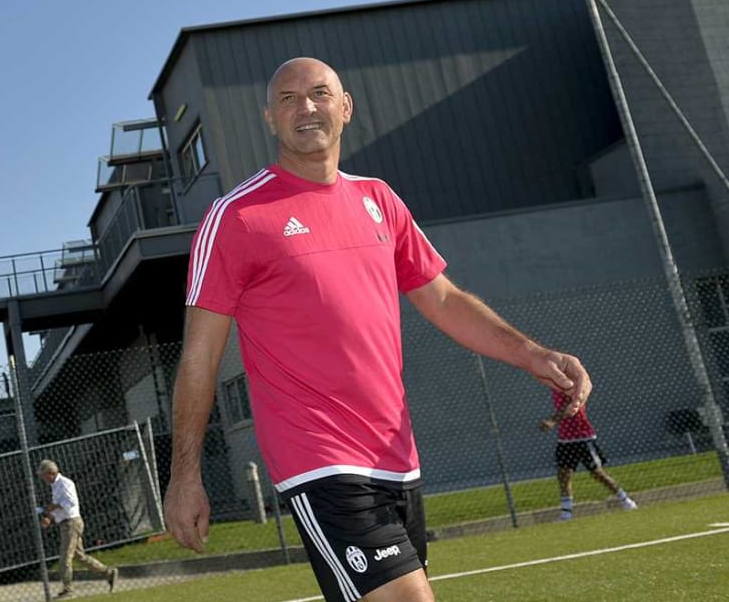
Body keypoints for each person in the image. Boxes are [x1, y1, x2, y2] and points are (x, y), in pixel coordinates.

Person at [162, 57, 593, 602]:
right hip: (316, 455)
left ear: (345, 107)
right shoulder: (237, 217)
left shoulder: (379, 200)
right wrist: (185, 475)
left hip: (396, 454)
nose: (307, 108)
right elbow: (198, 359)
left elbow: (445, 299)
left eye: (320, 94)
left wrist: (533, 355)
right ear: (269, 118)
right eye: (289, 99)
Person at [540, 389, 637, 520]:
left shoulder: (571, 383)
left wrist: (552, 420)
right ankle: (566, 514)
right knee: (563, 474)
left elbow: (572, 405)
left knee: (597, 473)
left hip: (582, 436)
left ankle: (626, 500)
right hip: (565, 439)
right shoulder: (555, 385)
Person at [37, 459, 119, 597]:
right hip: (67, 522)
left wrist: (52, 507)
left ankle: (68, 590)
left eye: (44, 475)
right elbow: (60, 506)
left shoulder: (65, 483)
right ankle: (108, 572)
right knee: (80, 556)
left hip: (71, 523)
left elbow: (70, 502)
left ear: (51, 473)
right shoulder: (56, 486)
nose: (43, 479)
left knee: (65, 557)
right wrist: (49, 517)